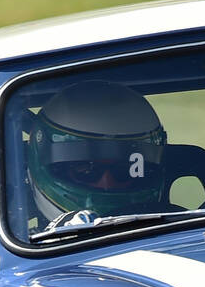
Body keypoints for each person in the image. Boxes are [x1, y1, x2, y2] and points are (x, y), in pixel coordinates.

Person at [26, 80, 168, 221]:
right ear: (57, 170)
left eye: (125, 169)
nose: (106, 184)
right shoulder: (17, 235)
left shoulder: (177, 229)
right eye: (86, 169)